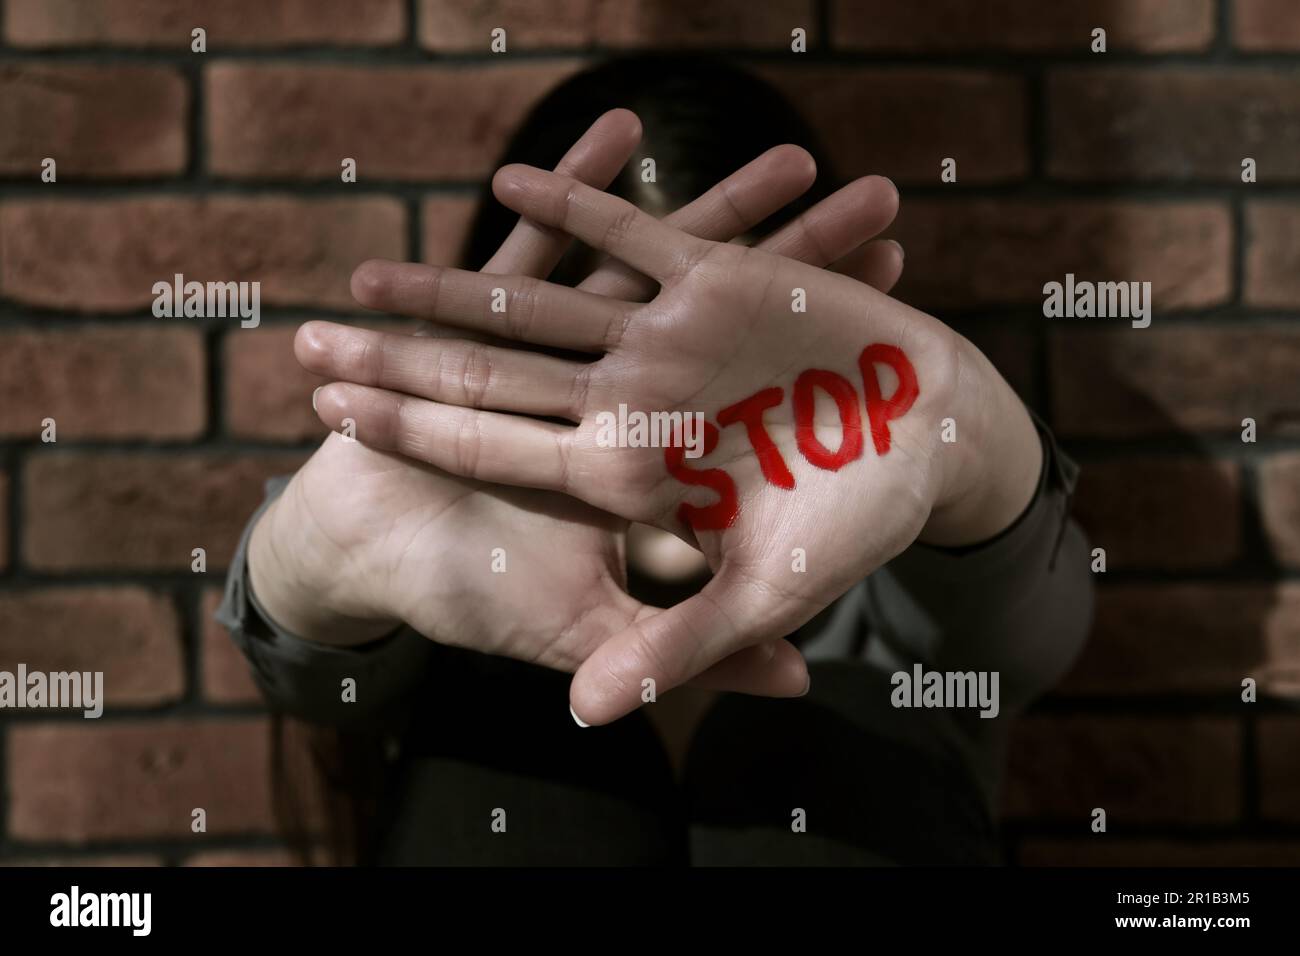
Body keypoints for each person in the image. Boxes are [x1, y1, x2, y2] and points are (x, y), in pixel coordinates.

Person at [217, 56, 1093, 865]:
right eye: (622, 324)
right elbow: (316, 682)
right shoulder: (457, 556)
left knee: (823, 731)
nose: (679, 407)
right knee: (517, 729)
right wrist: (314, 558)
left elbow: (1023, 630)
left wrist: (963, 429)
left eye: (735, 344)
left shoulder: (882, 553)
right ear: (525, 329)